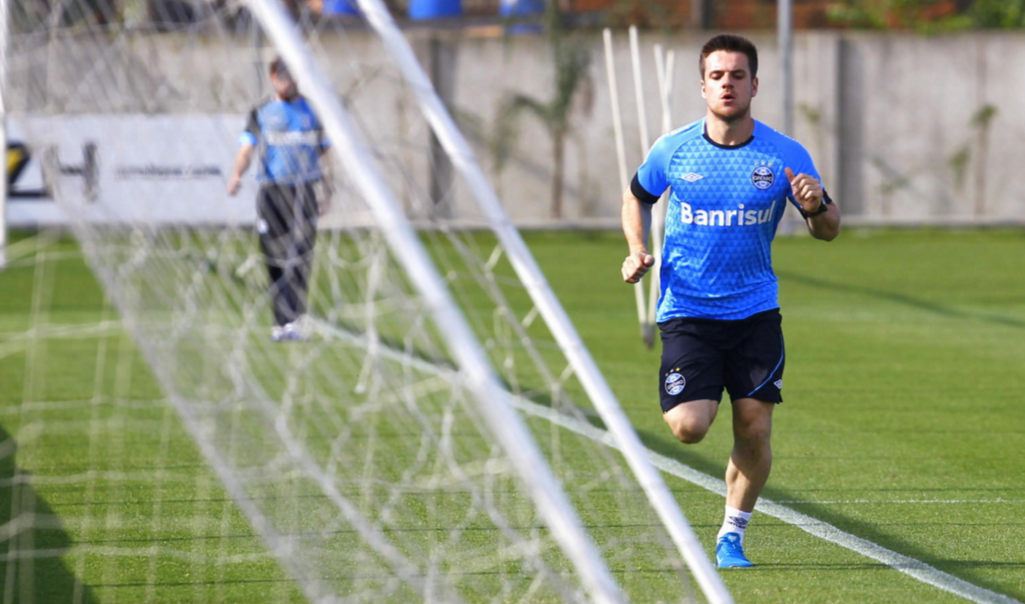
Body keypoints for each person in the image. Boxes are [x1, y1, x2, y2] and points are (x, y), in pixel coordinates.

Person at [620, 34, 840, 568]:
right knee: (689, 427)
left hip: (755, 311)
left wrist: (815, 206)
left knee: (755, 428)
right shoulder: (673, 149)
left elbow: (829, 228)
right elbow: (637, 195)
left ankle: (731, 535)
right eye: (717, 76)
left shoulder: (784, 154)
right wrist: (637, 250)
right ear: (702, 86)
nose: (727, 84)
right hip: (689, 310)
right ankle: (721, 484)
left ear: (754, 85)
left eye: (737, 75)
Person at [228, 56, 331, 342]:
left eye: (292, 77)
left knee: (300, 255)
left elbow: (325, 151)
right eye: (282, 77)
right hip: (272, 192)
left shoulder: (310, 109)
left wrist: (328, 189)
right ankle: (280, 321)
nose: (287, 82)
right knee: (274, 256)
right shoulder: (261, 111)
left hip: (303, 190)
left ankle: (294, 320)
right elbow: (247, 147)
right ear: (273, 78)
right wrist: (237, 174)